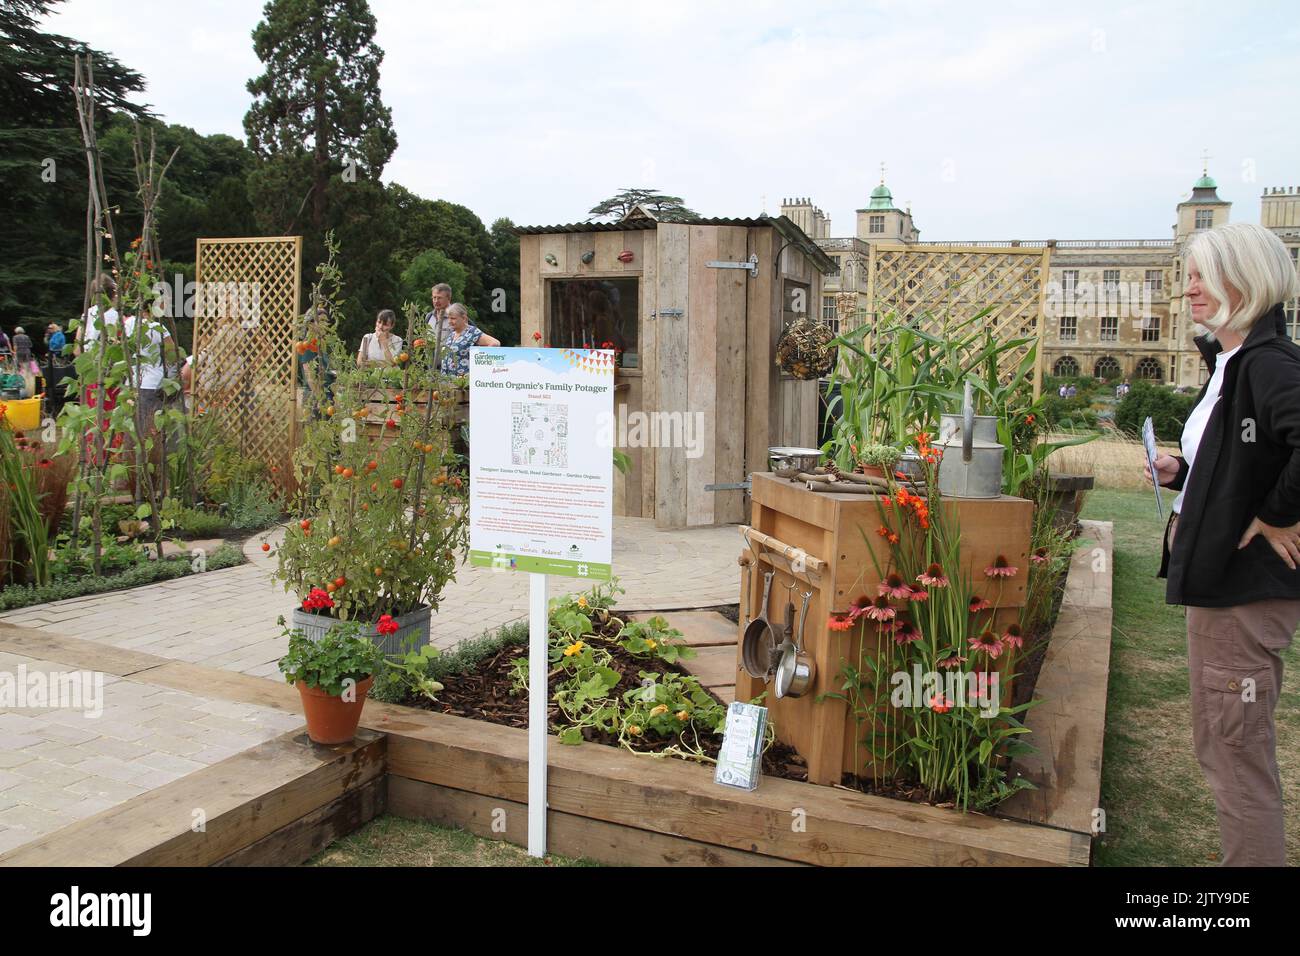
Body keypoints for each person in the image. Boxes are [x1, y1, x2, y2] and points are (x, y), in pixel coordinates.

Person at [1147, 222, 1300, 866]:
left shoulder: (1267, 363)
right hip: (1219, 584)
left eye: (1201, 276)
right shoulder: (1232, 363)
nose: (1189, 291)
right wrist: (1184, 473)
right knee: (1223, 745)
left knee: (1234, 756)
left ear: (1245, 278)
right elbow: (1246, 456)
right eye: (1187, 276)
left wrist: (1278, 515)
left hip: (1242, 591)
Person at [439, 303, 500, 376]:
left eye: (453, 318)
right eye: (448, 318)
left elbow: (495, 343)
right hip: (446, 382)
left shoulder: (472, 332)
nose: (449, 321)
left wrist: (479, 359)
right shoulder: (451, 334)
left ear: (464, 318)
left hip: (462, 383)